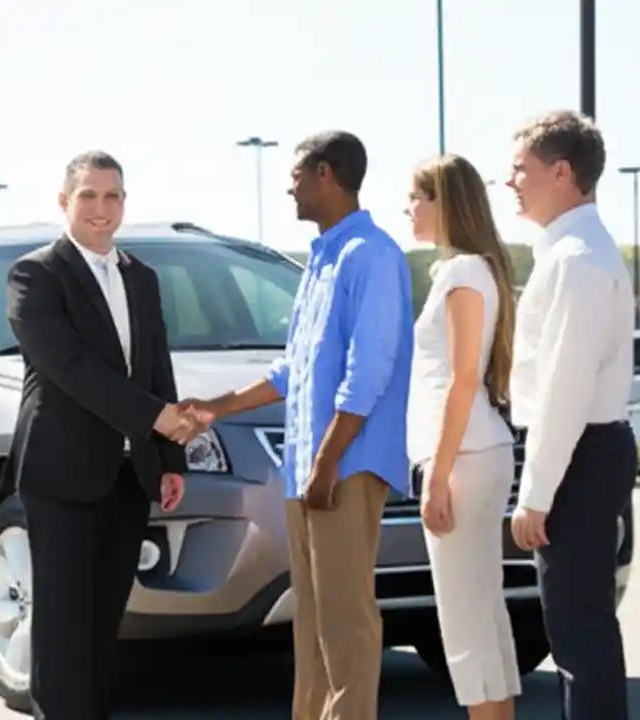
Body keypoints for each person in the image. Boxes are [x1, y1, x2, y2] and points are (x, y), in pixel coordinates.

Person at [182, 130, 413, 720]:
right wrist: (216, 408)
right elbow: (294, 371)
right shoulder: (322, 259)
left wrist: (327, 461)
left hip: (343, 467)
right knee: (311, 622)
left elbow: (368, 374)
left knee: (345, 619)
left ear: (326, 174)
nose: (291, 187)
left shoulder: (371, 256)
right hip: (308, 469)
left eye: (297, 175)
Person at [3, 150, 196, 719]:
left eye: (112, 196)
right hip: (61, 473)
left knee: (102, 625)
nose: (101, 208)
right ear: (64, 201)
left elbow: (156, 367)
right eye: (88, 195)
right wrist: (155, 417)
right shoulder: (35, 275)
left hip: (129, 476)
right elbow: (71, 369)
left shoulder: (141, 277)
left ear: (124, 203)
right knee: (63, 626)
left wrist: (169, 459)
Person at [505, 109, 637, 720]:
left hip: (579, 453)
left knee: (579, 633)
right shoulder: (573, 252)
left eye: (520, 169)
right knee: (582, 629)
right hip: (585, 450)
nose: (511, 181)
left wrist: (535, 495)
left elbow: (564, 387)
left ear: (561, 172)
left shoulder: (576, 259)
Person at [405, 153, 521, 719]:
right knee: (483, 613)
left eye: (416, 197)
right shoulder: (477, 270)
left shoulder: (461, 274)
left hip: (463, 458)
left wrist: (438, 476)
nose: (409, 209)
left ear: (444, 202)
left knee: (465, 621)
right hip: (479, 451)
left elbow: (462, 378)